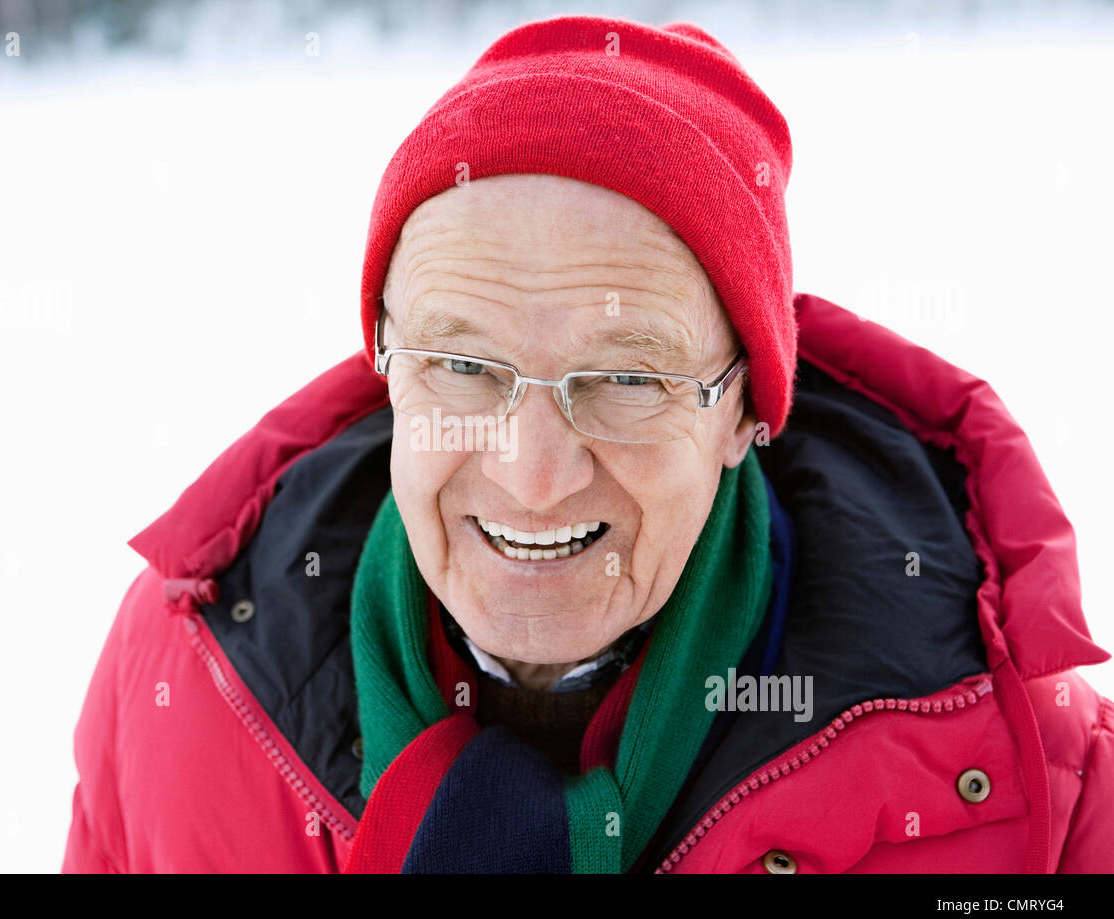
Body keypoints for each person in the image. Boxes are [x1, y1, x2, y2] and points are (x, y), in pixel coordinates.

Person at [61, 15, 1112, 874]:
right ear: (388, 365)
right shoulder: (184, 682)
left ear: (747, 409)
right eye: (462, 366)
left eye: (625, 379)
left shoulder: (1031, 772)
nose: (530, 471)